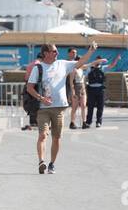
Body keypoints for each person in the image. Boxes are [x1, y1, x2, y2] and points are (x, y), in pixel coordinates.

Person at [27, 40, 99, 174]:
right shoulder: (38, 68)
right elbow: (29, 87)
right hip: (43, 108)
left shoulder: (62, 64)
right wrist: (41, 98)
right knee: (42, 135)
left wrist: (91, 51)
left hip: (59, 107)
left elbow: (80, 62)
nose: (57, 53)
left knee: (56, 137)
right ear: (45, 53)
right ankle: (41, 161)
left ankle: (52, 164)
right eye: (54, 51)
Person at [20, 49, 42, 131]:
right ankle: (36, 123)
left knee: (30, 104)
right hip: (35, 85)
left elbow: (26, 77)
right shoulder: (39, 65)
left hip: (27, 85)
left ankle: (32, 122)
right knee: (36, 104)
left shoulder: (30, 64)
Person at [84, 56, 108, 127]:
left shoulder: (103, 68)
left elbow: (111, 65)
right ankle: (88, 122)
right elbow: (85, 77)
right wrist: (84, 86)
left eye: (99, 61)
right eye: (97, 60)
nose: (98, 62)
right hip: (91, 89)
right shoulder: (90, 68)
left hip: (100, 89)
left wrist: (116, 59)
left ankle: (98, 122)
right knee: (90, 107)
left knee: (100, 107)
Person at [67, 47, 88, 129]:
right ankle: (72, 122)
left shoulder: (82, 69)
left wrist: (98, 61)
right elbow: (71, 81)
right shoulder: (73, 68)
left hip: (82, 87)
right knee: (74, 106)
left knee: (83, 105)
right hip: (75, 86)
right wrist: (72, 91)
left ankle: (84, 122)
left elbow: (90, 64)